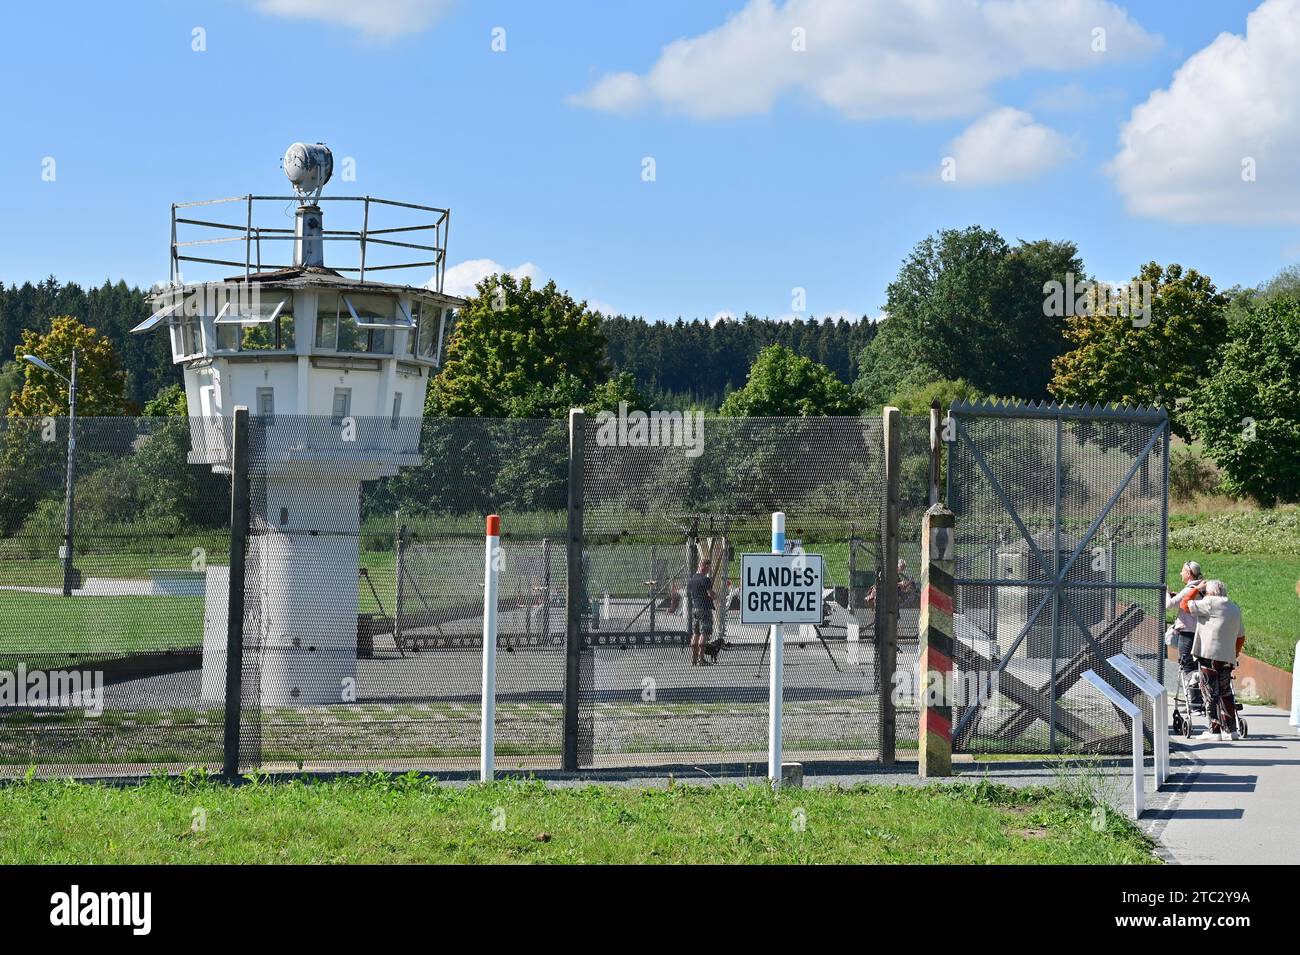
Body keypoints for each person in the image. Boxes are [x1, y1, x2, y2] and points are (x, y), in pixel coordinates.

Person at [1182, 579, 1246, 741]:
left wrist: (1196, 588)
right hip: (1227, 657)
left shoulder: (1209, 602)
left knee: (1209, 692)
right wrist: (1235, 653)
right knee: (1225, 692)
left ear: (1210, 593)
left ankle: (1214, 730)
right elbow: (1240, 636)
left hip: (1208, 656)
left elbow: (1184, 604)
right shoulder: (1234, 608)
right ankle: (1230, 730)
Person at [1167, 560, 1206, 714]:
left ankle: (1195, 704)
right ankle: (1201, 701)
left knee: (1188, 666)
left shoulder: (1191, 588)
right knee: (1199, 666)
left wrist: (1166, 593)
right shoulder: (1203, 587)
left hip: (1187, 633)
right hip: (1201, 633)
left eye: (1182, 571)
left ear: (1189, 574)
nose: (1180, 574)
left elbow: (1169, 605)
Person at [687, 559, 716, 666]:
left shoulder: (692, 579)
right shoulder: (705, 579)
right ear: (703, 566)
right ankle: (701, 658)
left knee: (696, 633)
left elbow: (690, 592)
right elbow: (710, 594)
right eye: (708, 567)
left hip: (695, 608)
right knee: (704, 633)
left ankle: (694, 659)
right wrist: (715, 595)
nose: (709, 569)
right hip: (705, 608)